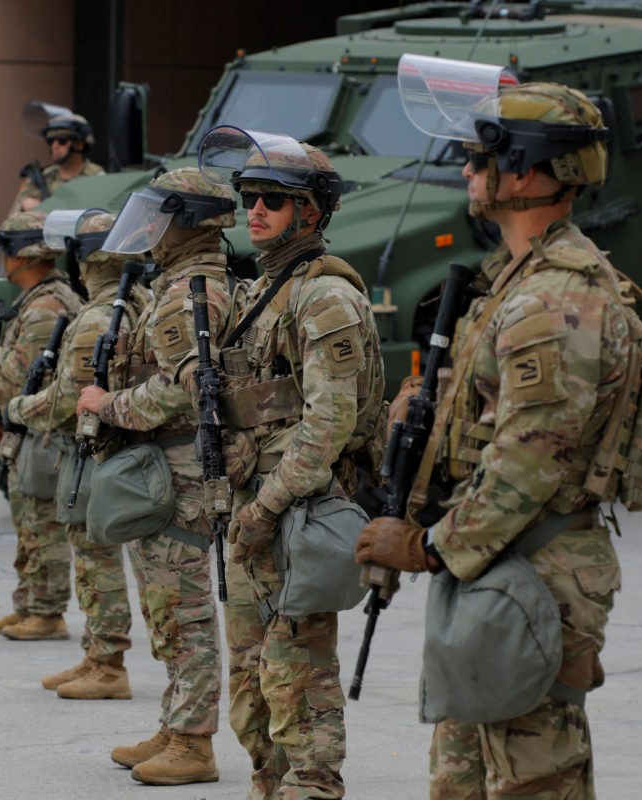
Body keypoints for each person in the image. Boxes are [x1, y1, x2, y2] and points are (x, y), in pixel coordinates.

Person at [355, 70, 629, 799]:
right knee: (463, 778)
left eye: (481, 157)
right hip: (495, 567)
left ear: (527, 170)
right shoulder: (516, 281)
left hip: (534, 573)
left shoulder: (556, 299)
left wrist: (425, 547)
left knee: (534, 779)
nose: (468, 172)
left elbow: (529, 463)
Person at [197, 128, 387, 799]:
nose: (255, 210)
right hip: (251, 511)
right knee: (249, 679)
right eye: (248, 196)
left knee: (297, 670)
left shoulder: (323, 296)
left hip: (296, 514)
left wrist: (267, 506)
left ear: (311, 213)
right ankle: (269, 782)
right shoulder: (264, 289)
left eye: (273, 199)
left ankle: (312, 786)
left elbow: (330, 423)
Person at [76, 167, 237, 786]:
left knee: (185, 606)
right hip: (165, 464)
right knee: (165, 603)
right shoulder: (180, 285)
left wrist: (108, 406)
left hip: (182, 467)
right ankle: (177, 724)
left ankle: (195, 742)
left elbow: (184, 390)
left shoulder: (190, 292)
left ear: (185, 221)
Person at [6, 210, 151, 700]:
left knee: (95, 559)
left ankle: (107, 661)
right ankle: (97, 654)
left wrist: (21, 406)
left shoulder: (99, 316)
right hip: (122, 449)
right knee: (97, 557)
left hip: (94, 452)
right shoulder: (137, 302)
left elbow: (68, 399)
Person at [0, 211, 82, 640]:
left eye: (8, 252)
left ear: (25, 255)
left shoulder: (44, 308)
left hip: (42, 432)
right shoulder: (40, 298)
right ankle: (28, 603)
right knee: (27, 521)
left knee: (42, 523)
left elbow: (23, 373)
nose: (3, 260)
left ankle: (47, 612)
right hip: (26, 430)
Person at [10, 104, 105, 214]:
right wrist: (25, 206)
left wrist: (45, 208)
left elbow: (100, 215)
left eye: (62, 140)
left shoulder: (97, 178)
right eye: (51, 141)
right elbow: (12, 219)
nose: (55, 146)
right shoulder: (43, 177)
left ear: (79, 144)